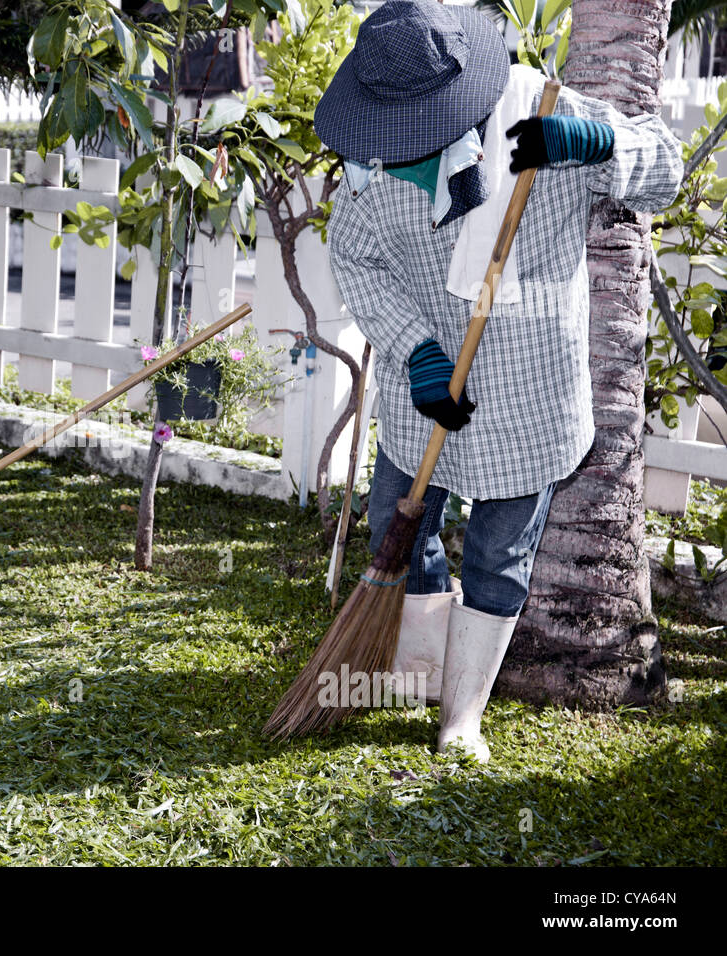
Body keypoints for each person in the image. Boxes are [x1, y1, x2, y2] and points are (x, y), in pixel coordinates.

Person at [314, 1, 681, 761]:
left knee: (496, 553)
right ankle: (418, 670)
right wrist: (413, 348)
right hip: (428, 386)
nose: (401, 152)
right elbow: (355, 258)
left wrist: (601, 143)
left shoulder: (541, 115)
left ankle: (461, 718)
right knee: (396, 525)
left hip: (528, 386)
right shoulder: (369, 159)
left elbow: (665, 168)